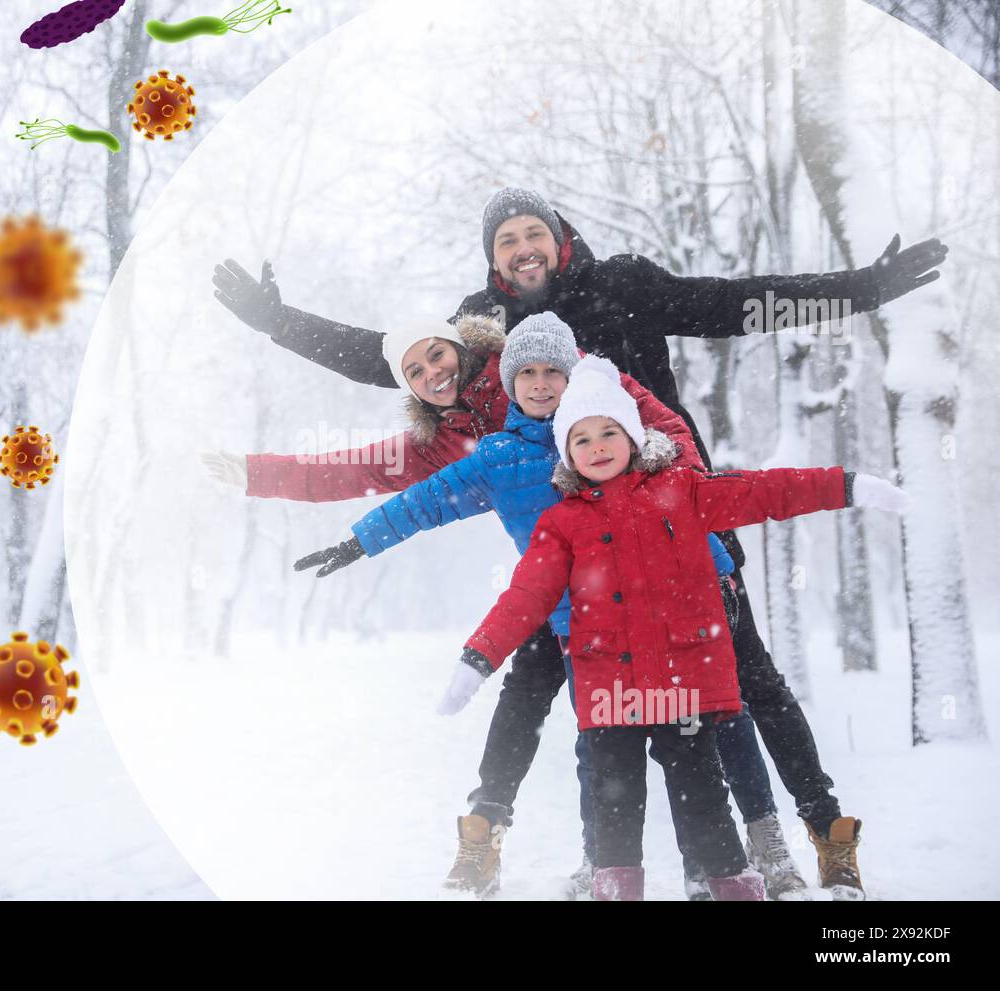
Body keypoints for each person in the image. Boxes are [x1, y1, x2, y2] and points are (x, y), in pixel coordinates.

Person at [211, 187, 948, 897]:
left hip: (676, 525)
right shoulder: (483, 326)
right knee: (556, 699)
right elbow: (393, 358)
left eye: (533, 232)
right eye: (506, 241)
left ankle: (823, 832)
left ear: (560, 238)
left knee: (748, 683)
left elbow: (735, 303)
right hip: (573, 562)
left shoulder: (624, 285)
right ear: (493, 262)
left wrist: (863, 288)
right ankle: (576, 852)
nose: (523, 249)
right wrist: (280, 323)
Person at [291, 314, 797, 899]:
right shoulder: (499, 458)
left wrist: (720, 568)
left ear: (571, 375)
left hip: (666, 619)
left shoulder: (601, 431)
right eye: (524, 374)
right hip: (581, 631)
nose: (538, 384)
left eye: (551, 372)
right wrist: (358, 540)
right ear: (507, 384)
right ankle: (604, 867)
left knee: (699, 742)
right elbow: (424, 502)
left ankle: (716, 868)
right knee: (603, 753)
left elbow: (671, 500)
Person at [444, 354, 909, 900]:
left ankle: (738, 890)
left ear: (634, 436)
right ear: (567, 453)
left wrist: (848, 486)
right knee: (613, 809)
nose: (597, 447)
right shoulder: (562, 524)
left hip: (683, 689)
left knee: (705, 805)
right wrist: (478, 656)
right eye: (581, 439)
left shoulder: (682, 492)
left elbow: (768, 492)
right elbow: (524, 598)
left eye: (609, 432)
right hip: (609, 697)